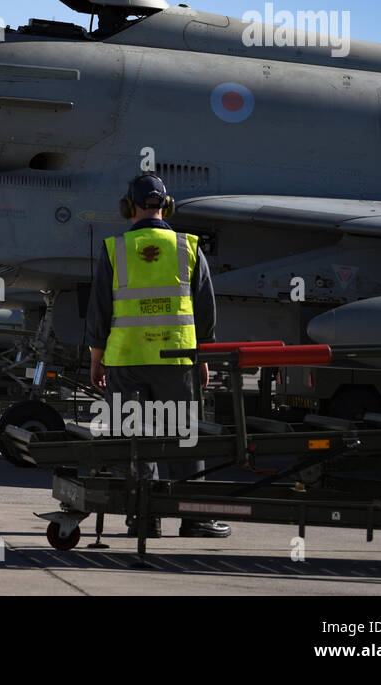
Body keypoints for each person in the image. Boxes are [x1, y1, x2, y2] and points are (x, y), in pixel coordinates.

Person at [85, 173, 230, 540]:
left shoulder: (115, 248)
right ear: (167, 205)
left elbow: (99, 309)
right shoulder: (188, 247)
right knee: (183, 436)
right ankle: (194, 518)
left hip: (126, 359)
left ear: (127, 206)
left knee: (132, 436)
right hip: (176, 359)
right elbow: (205, 310)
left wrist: (96, 357)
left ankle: (142, 517)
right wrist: (204, 358)